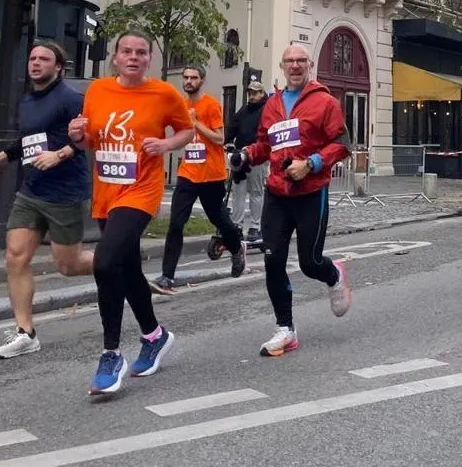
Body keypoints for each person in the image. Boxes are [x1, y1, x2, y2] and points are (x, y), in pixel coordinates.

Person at [67, 29, 195, 395]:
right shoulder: (98, 91)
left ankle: (111, 354)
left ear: (149, 59)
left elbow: (186, 131)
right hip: (106, 191)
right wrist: (76, 135)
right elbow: (90, 139)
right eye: (127, 51)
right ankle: (154, 335)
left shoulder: (164, 93)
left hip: (141, 190)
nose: (134, 57)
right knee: (127, 268)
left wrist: (166, 144)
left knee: (105, 262)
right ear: (116, 57)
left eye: (141, 52)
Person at [230, 43, 352, 357]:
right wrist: (245, 155)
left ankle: (334, 274)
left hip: (311, 193)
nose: (295, 66)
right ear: (282, 67)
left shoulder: (325, 102)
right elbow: (265, 145)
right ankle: (285, 329)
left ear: (310, 65)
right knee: (273, 261)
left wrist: (311, 163)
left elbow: (342, 143)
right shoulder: (271, 105)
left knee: (310, 263)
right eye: (289, 61)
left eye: (301, 61)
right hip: (277, 193)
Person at [0, 41, 92, 359]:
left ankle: (117, 263)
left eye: (44, 59)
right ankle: (25, 333)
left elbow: (89, 137)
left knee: (69, 265)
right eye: (33, 58)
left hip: (64, 192)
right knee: (15, 257)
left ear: (59, 67)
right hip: (31, 190)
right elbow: (26, 140)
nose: (36, 63)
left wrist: (60, 154)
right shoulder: (27, 100)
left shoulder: (71, 99)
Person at [150, 65, 245, 294]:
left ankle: (236, 248)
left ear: (202, 80)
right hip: (188, 173)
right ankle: (167, 276)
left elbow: (220, 138)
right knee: (176, 223)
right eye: (186, 77)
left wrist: (196, 124)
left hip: (211, 175)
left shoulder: (211, 104)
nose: (189, 81)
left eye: (194, 78)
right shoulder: (181, 105)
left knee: (219, 219)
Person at [227, 80, 269, 244]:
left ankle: (255, 226)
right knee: (238, 192)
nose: (252, 96)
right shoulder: (244, 110)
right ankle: (237, 225)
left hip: (258, 156)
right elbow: (233, 126)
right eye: (250, 93)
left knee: (256, 192)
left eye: (255, 93)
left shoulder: (266, 110)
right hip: (240, 156)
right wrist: (227, 141)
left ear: (262, 93)